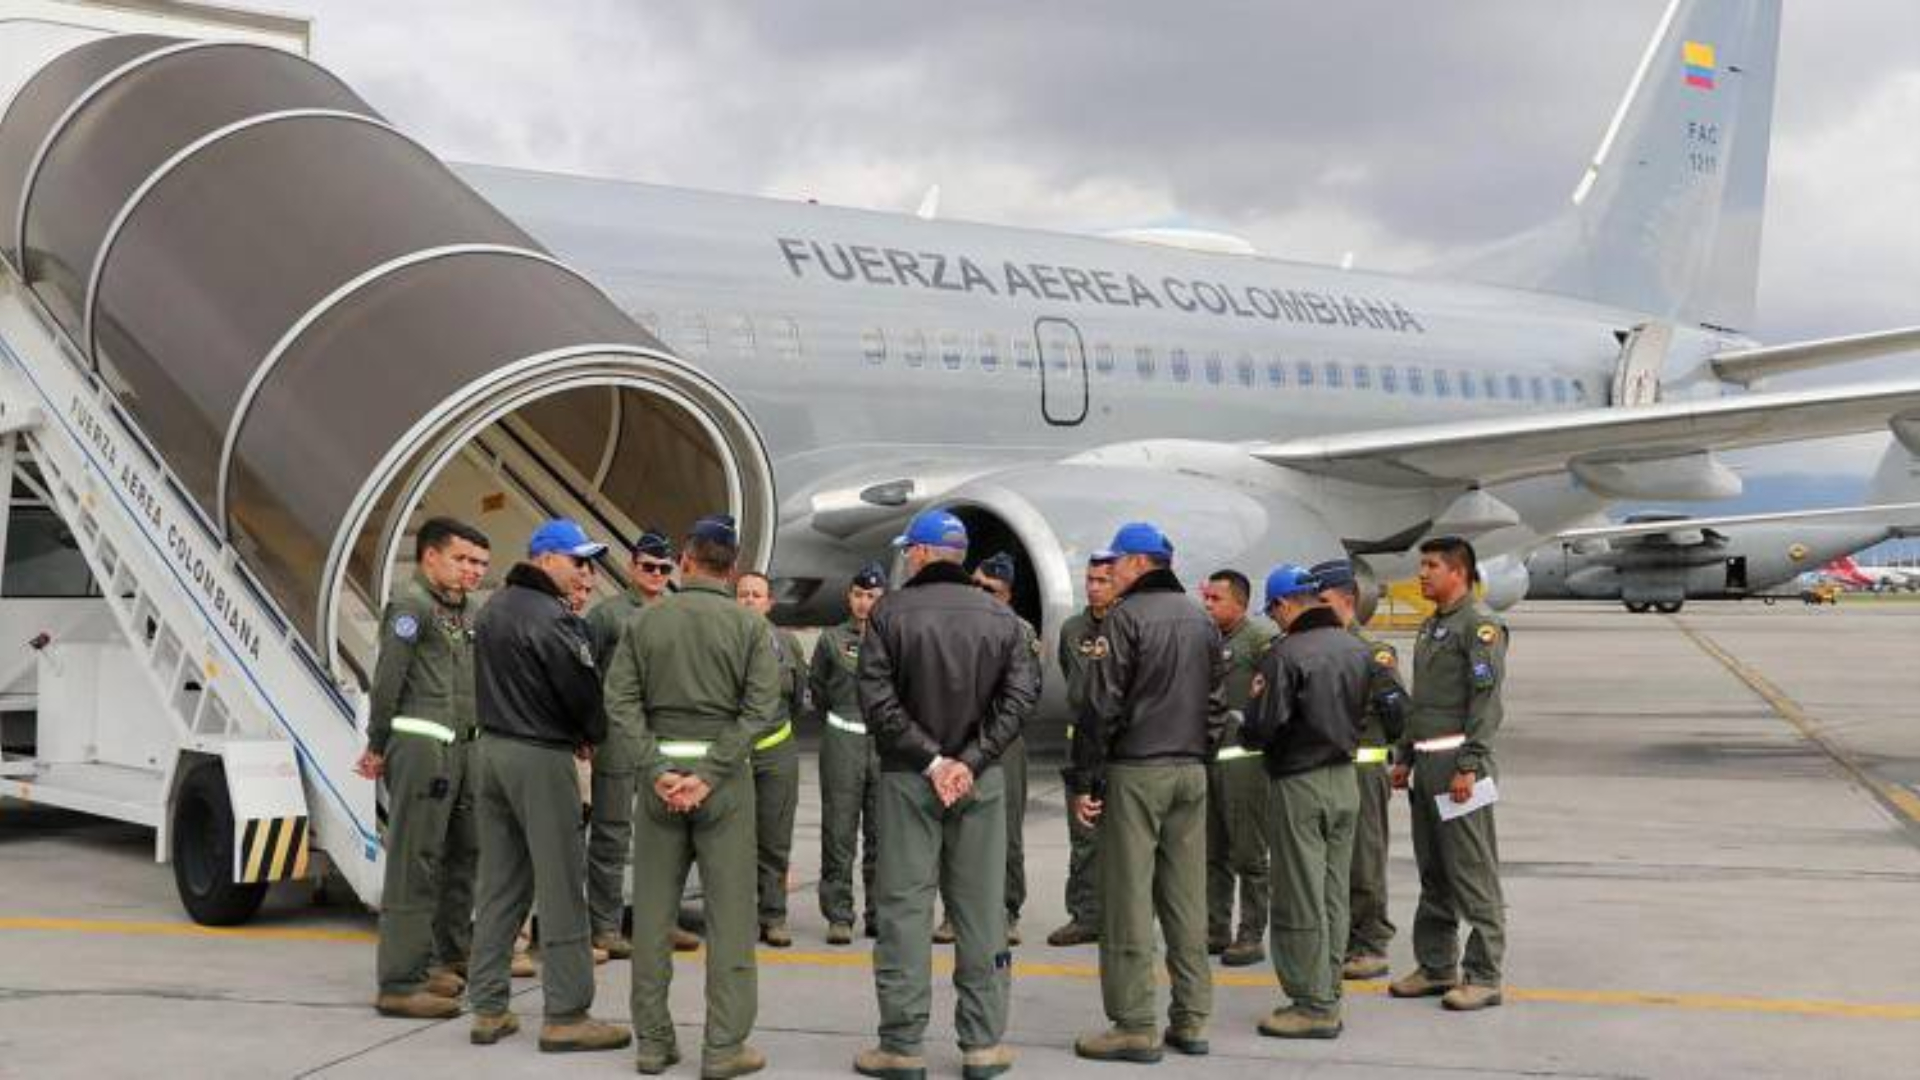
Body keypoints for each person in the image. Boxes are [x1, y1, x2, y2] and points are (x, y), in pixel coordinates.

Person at [853, 510, 1038, 1080]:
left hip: (909, 779)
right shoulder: (1002, 618)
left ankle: (902, 1047)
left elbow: (877, 700)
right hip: (979, 782)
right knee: (981, 909)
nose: (905, 557)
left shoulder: (890, 612)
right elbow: (1020, 698)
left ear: (923, 553)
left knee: (905, 909)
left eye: (909, 550)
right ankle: (982, 1045)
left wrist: (932, 761)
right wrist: (969, 760)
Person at [607, 515, 779, 1077]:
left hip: (658, 786)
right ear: (731, 570)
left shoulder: (645, 622)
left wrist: (657, 769)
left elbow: (621, 704)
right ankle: (724, 1047)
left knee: (653, 918)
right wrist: (709, 773)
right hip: (724, 785)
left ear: (684, 560)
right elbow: (759, 710)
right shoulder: (750, 628)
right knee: (730, 918)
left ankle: (654, 1045)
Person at [466, 519, 629, 1052]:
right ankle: (567, 1013)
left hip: (490, 751)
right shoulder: (553, 619)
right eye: (578, 561)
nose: (585, 571)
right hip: (539, 755)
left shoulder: (493, 608)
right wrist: (590, 734)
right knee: (561, 885)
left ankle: (488, 1008)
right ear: (545, 558)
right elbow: (582, 694)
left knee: (499, 884)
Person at [1068, 522, 1227, 1063]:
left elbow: (1100, 707)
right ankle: (1192, 1017)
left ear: (1139, 563)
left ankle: (1135, 1023)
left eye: (1116, 562)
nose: (1109, 571)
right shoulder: (1203, 620)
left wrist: (1087, 780)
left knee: (1128, 900)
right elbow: (1215, 705)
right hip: (1190, 771)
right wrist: (1198, 758)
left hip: (1137, 770)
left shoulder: (1125, 618)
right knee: (1186, 900)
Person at [1241, 565, 1406, 1039]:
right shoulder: (1360, 648)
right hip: (1345, 780)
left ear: (1284, 605)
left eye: (1273, 611)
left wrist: (1243, 725)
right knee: (1334, 892)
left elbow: (1262, 727)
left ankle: (1310, 1003)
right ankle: (1329, 988)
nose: (1273, 621)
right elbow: (1396, 712)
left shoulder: (1284, 654)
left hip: (1300, 782)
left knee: (1299, 893)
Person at [359, 517, 490, 1020]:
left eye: (480, 563)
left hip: (463, 750)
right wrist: (377, 743)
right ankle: (399, 981)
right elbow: (388, 679)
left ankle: (446, 958)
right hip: (421, 749)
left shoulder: (466, 613)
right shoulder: (410, 608)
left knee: (464, 855)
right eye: (462, 559)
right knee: (415, 863)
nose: (472, 571)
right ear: (430, 557)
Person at [1390, 536, 1510, 1012]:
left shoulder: (1479, 626)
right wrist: (1404, 757)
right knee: (1434, 871)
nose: (1422, 574)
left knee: (1472, 872)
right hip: (1428, 764)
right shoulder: (1431, 627)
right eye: (1422, 565)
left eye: (1431, 566)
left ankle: (1484, 975)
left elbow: (1486, 704)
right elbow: (1423, 702)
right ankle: (1437, 965)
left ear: (1458, 572)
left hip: (1461, 767)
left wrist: (1470, 764)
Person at [583, 529, 688, 959]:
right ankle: (605, 925)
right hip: (619, 737)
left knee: (665, 837)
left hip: (665, 737)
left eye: (665, 568)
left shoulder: (679, 613)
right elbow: (586, 678)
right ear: (632, 567)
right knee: (611, 833)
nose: (657, 574)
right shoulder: (606, 616)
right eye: (649, 567)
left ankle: (659, 921)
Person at [1311, 558, 1408, 981]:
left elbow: (1398, 713)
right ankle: (1339, 935)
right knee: (1326, 860)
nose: (1313, 607)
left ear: (1346, 600)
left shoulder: (1372, 653)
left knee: (1363, 860)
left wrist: (1390, 754)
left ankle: (1370, 942)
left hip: (1361, 772)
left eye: (1322, 599)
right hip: (1323, 770)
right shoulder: (1316, 648)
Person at [1199, 569, 1279, 968]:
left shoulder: (1259, 641)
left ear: (1240, 603)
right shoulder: (1208, 640)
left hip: (1245, 763)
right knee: (1213, 851)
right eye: (1206, 598)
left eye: (1216, 599)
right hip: (1210, 760)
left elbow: (1276, 692)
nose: (1208, 605)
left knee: (1249, 852)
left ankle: (1250, 933)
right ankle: (1215, 928)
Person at [811, 563, 888, 945]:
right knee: (839, 832)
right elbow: (819, 690)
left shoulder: (896, 638)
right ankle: (839, 915)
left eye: (872, 597)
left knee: (882, 834)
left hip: (884, 746)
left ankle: (878, 913)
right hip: (843, 740)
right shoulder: (831, 640)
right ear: (849, 597)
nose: (864, 603)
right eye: (859, 595)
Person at [1046, 553, 1116, 948]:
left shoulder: (1128, 624)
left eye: (1103, 580)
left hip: (1120, 743)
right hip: (1083, 742)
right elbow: (1077, 682)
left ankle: (1123, 917)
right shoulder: (1073, 629)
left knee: (1125, 837)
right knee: (1084, 835)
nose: (1093, 586)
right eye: (1089, 579)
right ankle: (1085, 915)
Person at [735, 569, 807, 948]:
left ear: (768, 603)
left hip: (777, 751)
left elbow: (798, 697)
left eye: (756, 595)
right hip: (736, 753)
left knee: (775, 840)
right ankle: (743, 918)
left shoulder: (786, 643)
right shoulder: (724, 640)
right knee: (738, 841)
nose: (748, 600)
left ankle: (774, 916)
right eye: (743, 594)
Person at [968, 550, 1035, 947]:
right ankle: (958, 910)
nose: (979, 592)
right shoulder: (958, 622)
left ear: (1007, 595)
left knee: (1006, 831)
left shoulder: (1020, 631)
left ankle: (1007, 909)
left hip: (1004, 740)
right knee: (959, 827)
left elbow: (1025, 694)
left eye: (990, 589)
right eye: (974, 584)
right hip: (962, 736)